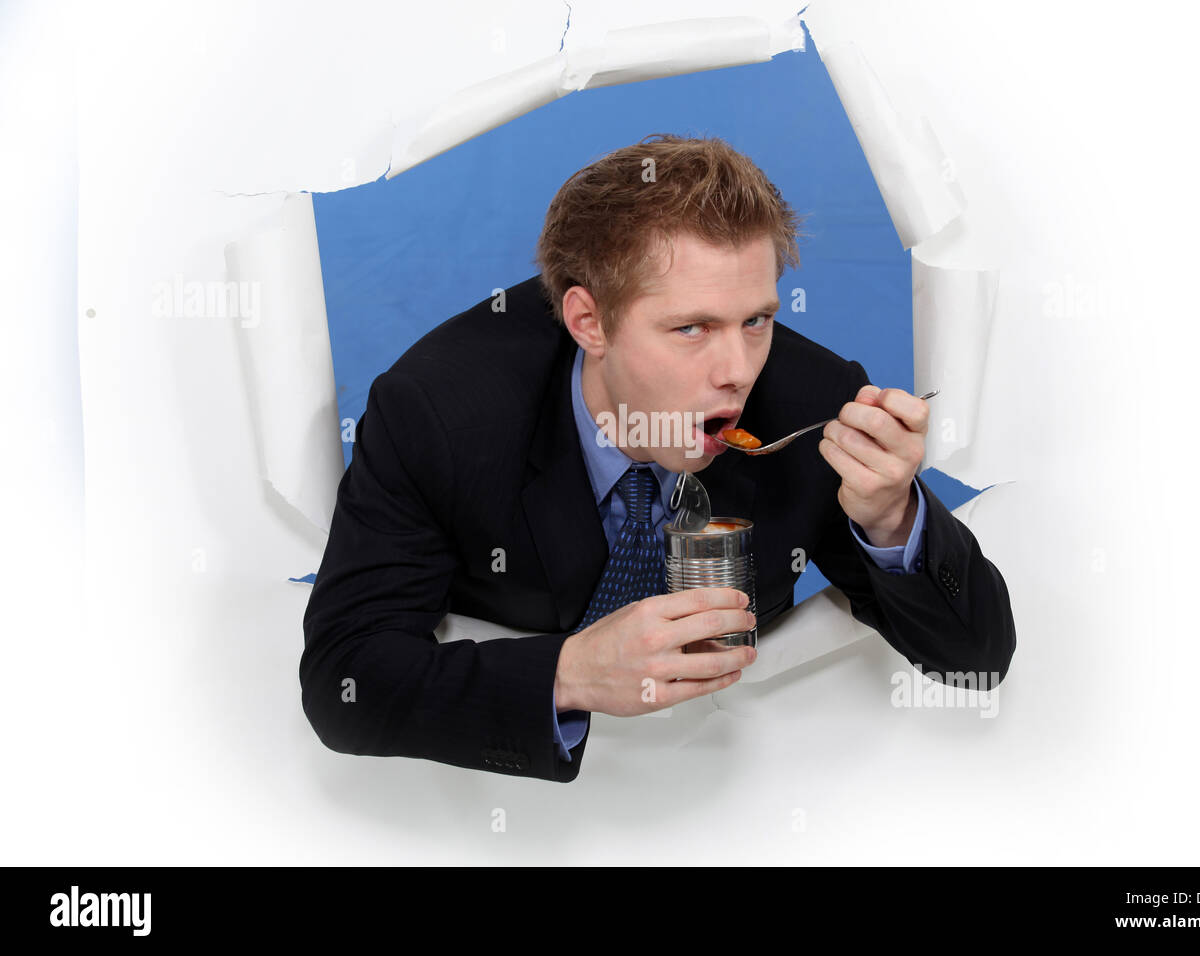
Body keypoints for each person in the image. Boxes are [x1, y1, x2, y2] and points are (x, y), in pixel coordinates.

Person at [300, 134, 1016, 782]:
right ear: (589, 322)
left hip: (731, 775)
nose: (738, 372)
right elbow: (345, 679)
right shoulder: (439, 413)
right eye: (691, 328)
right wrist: (569, 674)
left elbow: (975, 661)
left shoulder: (812, 403)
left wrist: (891, 517)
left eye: (756, 320)